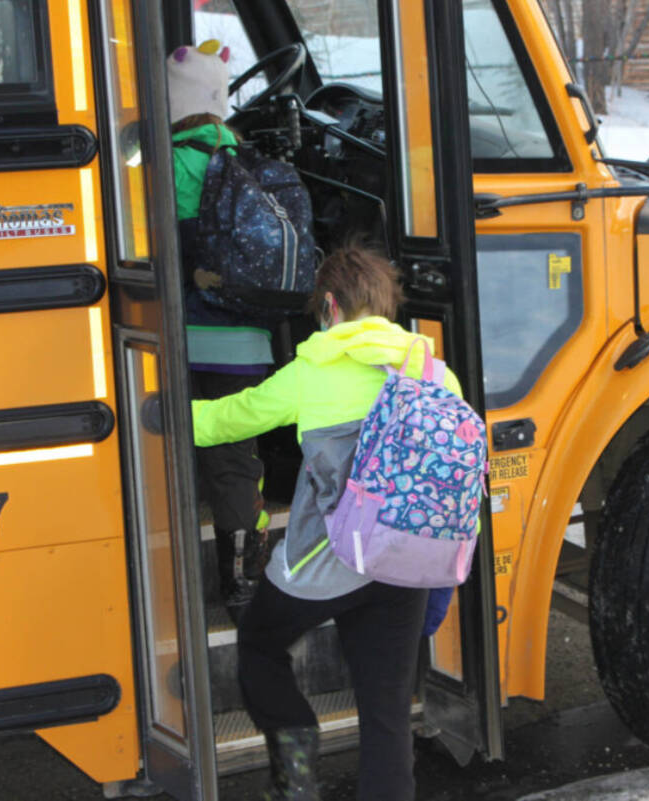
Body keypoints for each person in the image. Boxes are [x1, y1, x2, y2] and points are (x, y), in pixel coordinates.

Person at [192, 244, 461, 801]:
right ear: (386, 306)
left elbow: (223, 421)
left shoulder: (312, 372)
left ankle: (296, 773)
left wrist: (149, 404)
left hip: (327, 561)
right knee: (387, 713)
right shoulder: (436, 373)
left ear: (330, 305)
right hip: (405, 563)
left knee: (260, 645)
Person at [167, 39, 271, 618]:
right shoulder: (251, 162)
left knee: (169, 447)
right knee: (234, 459)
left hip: (180, 340)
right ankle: (241, 585)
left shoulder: (162, 162)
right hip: (245, 343)